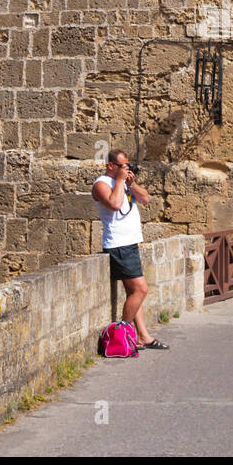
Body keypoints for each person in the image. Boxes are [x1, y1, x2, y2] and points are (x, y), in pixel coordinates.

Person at [92, 149, 168, 349]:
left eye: (127, 166)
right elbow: (115, 204)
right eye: (121, 166)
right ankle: (122, 334)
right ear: (111, 166)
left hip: (131, 242)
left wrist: (130, 184)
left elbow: (145, 199)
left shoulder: (125, 183)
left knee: (134, 291)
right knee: (141, 289)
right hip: (118, 244)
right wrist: (119, 181)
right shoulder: (101, 184)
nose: (125, 169)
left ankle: (143, 336)